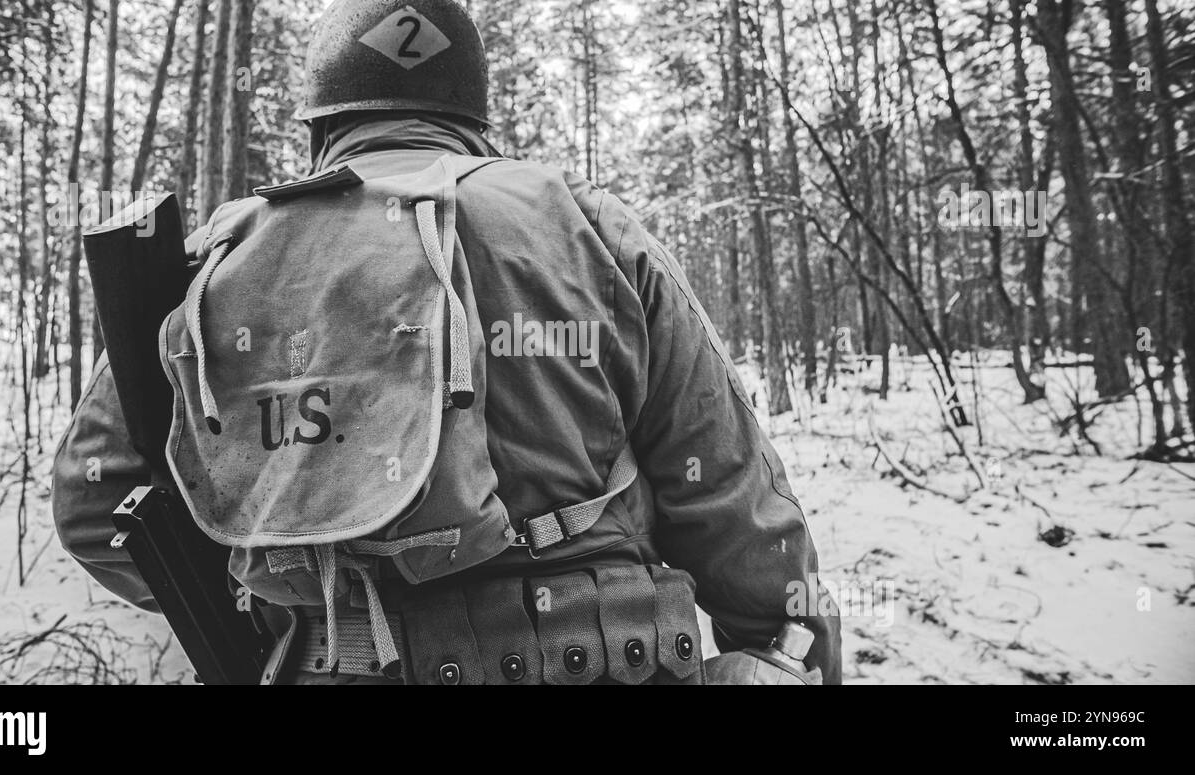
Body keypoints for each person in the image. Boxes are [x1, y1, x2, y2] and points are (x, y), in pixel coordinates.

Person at [52, 0, 841, 685]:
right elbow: (729, 493)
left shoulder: (218, 260)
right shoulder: (585, 225)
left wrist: (269, 586)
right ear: (472, 122)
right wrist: (781, 644)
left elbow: (98, 507)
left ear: (323, 125)